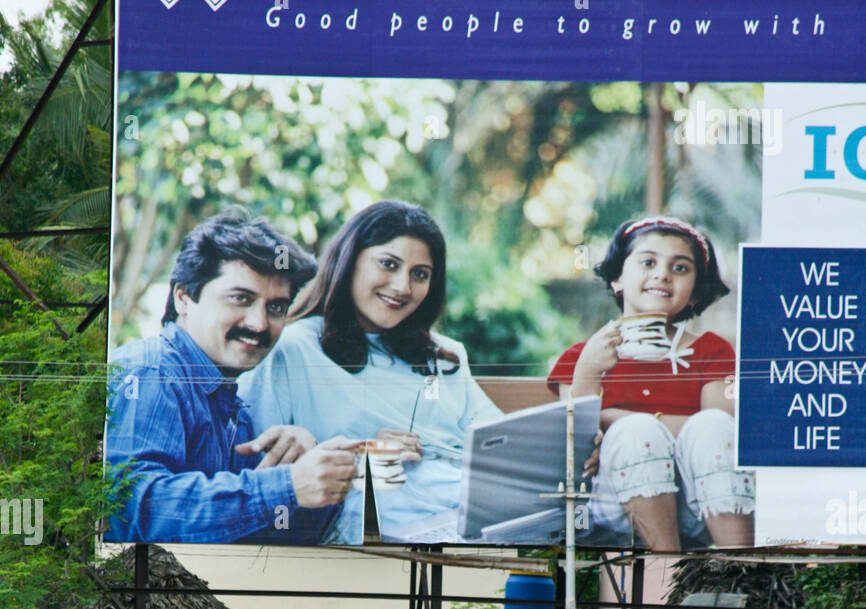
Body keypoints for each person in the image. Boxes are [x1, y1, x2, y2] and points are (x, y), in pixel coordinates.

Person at [240, 200, 502, 543]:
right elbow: (260, 479)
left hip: (470, 520)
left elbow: (499, 441)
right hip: (371, 542)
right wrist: (365, 453)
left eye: (419, 274)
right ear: (349, 262)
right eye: (388, 264)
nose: (403, 287)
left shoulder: (445, 356)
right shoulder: (292, 349)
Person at [105, 208, 363, 545]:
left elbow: (267, 535)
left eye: (276, 308)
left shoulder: (232, 407)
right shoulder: (152, 372)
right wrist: (289, 485)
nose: (258, 323)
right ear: (184, 297)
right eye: (241, 299)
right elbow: (134, 510)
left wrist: (314, 469)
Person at [548, 215, 755, 551]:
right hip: (614, 501)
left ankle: (744, 565)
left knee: (709, 425)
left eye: (681, 268)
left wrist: (614, 416)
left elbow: (725, 430)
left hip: (700, 501)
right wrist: (588, 373)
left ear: (694, 295)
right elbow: (574, 445)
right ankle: (666, 565)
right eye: (648, 262)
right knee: (636, 435)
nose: (662, 274)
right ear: (617, 278)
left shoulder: (712, 351)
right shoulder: (583, 356)